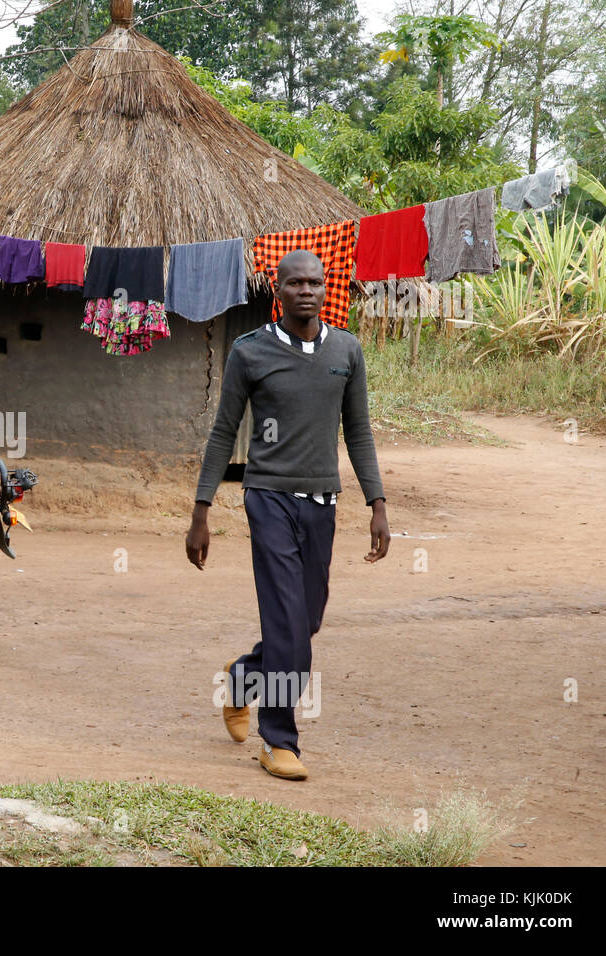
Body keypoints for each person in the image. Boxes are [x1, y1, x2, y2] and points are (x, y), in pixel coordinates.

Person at [186, 249, 390, 781]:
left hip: (322, 506)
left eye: (315, 283)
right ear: (277, 291)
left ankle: (242, 679)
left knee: (305, 624)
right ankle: (278, 740)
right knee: (289, 632)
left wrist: (377, 504)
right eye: (295, 282)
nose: (307, 290)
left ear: (328, 290)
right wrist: (201, 511)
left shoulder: (346, 350)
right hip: (269, 500)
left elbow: (359, 432)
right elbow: (223, 432)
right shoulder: (249, 353)